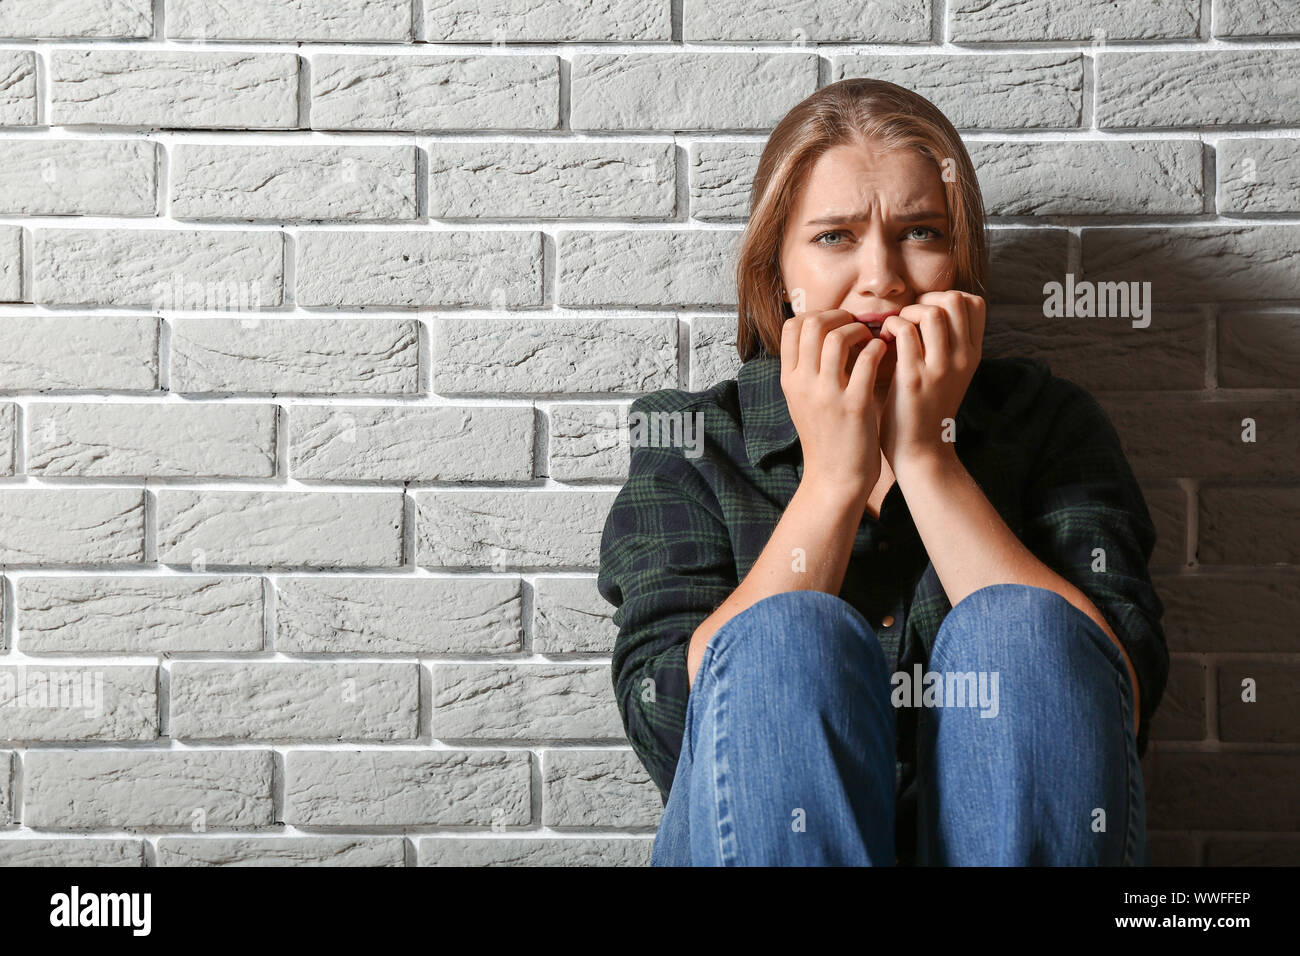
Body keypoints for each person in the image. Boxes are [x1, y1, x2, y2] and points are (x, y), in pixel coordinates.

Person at [596, 78, 1169, 866]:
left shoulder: (1049, 424)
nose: (885, 279)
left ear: (962, 260)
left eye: (922, 233)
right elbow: (672, 726)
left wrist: (928, 457)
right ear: (776, 275)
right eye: (835, 237)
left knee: (1024, 624)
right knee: (783, 635)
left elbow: (1118, 708)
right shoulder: (693, 440)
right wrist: (833, 481)